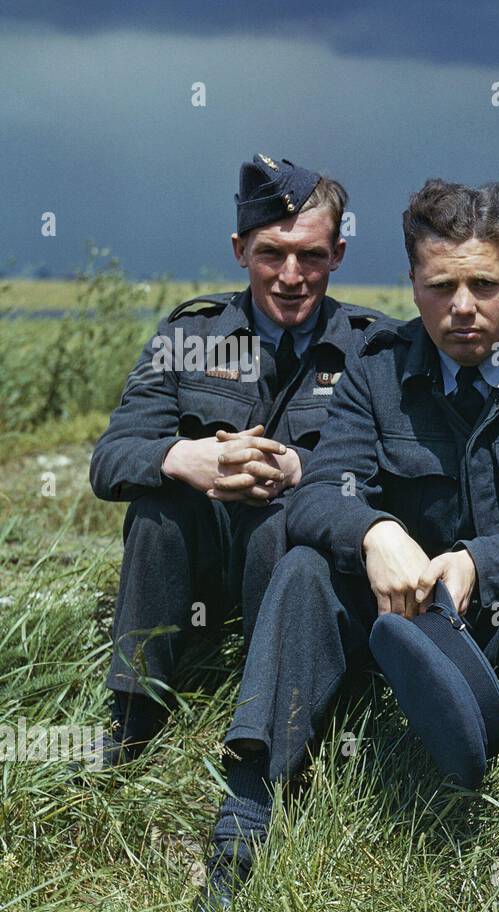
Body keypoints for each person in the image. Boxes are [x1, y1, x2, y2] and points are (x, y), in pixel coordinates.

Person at [194, 179, 499, 912]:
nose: (463, 306)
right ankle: (241, 832)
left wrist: (479, 561)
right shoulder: (377, 368)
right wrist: (375, 529)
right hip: (406, 642)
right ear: (414, 286)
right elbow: (320, 493)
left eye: (484, 285)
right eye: (442, 287)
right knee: (303, 567)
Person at [87, 155, 383, 769]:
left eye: (313, 256)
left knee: (281, 519)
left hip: (292, 568)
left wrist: (300, 470)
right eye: (272, 253)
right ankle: (135, 714)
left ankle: (276, 715)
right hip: (197, 566)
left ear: (339, 255)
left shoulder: (371, 347)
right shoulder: (187, 335)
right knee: (155, 506)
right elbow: (110, 459)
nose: (292, 276)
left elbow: (392, 472)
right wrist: (184, 456)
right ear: (240, 250)